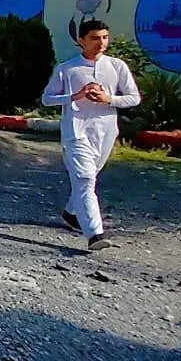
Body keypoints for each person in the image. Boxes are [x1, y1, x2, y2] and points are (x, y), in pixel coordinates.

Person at [42, 19, 140, 251]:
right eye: (95, 38)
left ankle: (71, 212)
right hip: (76, 132)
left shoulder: (117, 66)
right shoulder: (67, 69)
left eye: (105, 37)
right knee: (85, 178)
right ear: (81, 40)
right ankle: (95, 234)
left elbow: (133, 98)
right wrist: (74, 96)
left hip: (105, 132)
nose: (101, 43)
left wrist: (109, 99)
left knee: (88, 177)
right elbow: (47, 99)